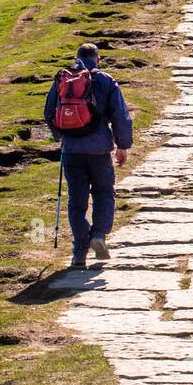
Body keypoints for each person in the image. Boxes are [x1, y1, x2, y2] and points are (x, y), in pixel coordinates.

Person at [43, 43, 133, 268]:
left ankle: (79, 253)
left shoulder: (63, 79)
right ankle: (99, 235)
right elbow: (120, 116)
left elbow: (49, 112)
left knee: (76, 201)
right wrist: (122, 146)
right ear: (98, 59)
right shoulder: (105, 80)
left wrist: (61, 135)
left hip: (72, 150)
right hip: (100, 149)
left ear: (76, 58)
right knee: (103, 192)